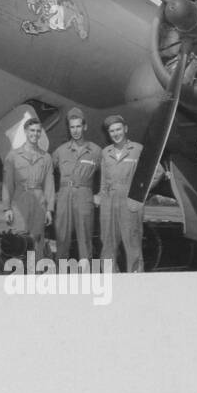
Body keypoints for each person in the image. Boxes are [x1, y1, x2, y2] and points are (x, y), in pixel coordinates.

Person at [99, 114, 146, 273]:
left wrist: (138, 191)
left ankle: (136, 284)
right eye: (112, 131)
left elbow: (156, 171)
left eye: (118, 129)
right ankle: (111, 282)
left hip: (130, 201)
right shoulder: (106, 152)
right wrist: (102, 200)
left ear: (125, 129)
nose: (116, 133)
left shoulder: (138, 149)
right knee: (107, 245)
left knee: (132, 244)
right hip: (109, 203)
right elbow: (104, 181)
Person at [52, 107, 101, 261]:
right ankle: (60, 278)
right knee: (62, 239)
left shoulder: (96, 151)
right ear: (69, 128)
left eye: (78, 126)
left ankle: (86, 280)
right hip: (64, 196)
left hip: (84, 195)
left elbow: (109, 174)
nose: (75, 130)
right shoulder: (60, 151)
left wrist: (100, 194)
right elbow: (46, 172)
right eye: (72, 127)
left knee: (85, 241)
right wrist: (51, 194)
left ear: (84, 126)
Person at [2, 115, 55, 256]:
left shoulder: (46, 157)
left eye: (38, 131)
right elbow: (7, 183)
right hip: (20, 199)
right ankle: (18, 275)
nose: (35, 134)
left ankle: (36, 275)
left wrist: (49, 209)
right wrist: (7, 208)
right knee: (19, 240)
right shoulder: (12, 156)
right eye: (32, 130)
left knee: (37, 240)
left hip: (39, 201)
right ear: (25, 131)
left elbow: (49, 185)